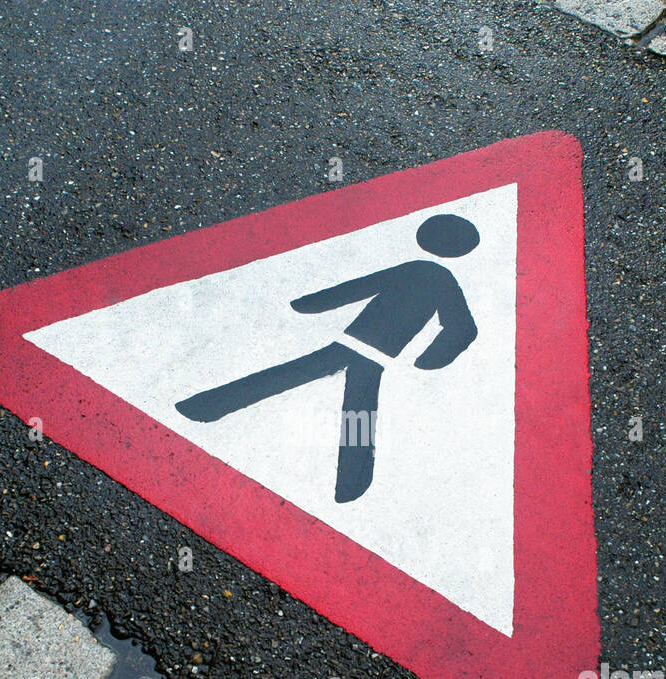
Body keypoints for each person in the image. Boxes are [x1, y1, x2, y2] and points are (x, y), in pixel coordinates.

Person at [176, 213, 480, 503]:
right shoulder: (442, 282)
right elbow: (462, 327)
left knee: (287, 376)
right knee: (359, 415)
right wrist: (430, 358)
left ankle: (205, 406)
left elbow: (356, 289)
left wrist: (310, 304)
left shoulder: (414, 270)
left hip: (352, 345)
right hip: (372, 355)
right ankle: (351, 483)